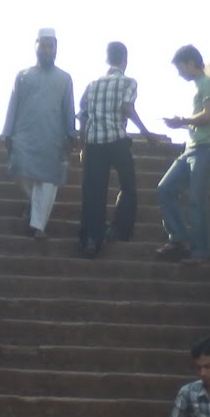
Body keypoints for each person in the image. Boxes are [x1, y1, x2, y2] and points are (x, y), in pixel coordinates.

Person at [75, 42, 156, 257]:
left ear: (107, 59)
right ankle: (119, 229)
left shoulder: (92, 85)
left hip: (93, 142)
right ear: (125, 60)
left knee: (94, 191)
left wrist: (82, 146)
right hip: (117, 140)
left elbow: (82, 117)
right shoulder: (129, 82)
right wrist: (146, 133)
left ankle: (91, 239)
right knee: (128, 186)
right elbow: (127, 108)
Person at [2, 28, 76, 240]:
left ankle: (38, 227)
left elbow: (68, 109)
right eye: (42, 45)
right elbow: (12, 106)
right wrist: (7, 133)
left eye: (50, 46)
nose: (46, 50)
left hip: (53, 138)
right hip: (24, 137)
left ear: (56, 48)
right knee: (19, 170)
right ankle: (35, 209)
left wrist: (71, 136)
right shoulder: (23, 76)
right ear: (35, 46)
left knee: (49, 181)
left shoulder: (64, 78)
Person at [156, 45, 210, 265]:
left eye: (181, 68)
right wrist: (180, 125)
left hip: (205, 148)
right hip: (191, 148)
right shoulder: (196, 87)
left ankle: (201, 251)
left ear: (191, 63)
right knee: (165, 189)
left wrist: (183, 120)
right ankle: (179, 237)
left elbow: (209, 116)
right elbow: (200, 122)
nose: (180, 73)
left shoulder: (207, 83)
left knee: (197, 200)